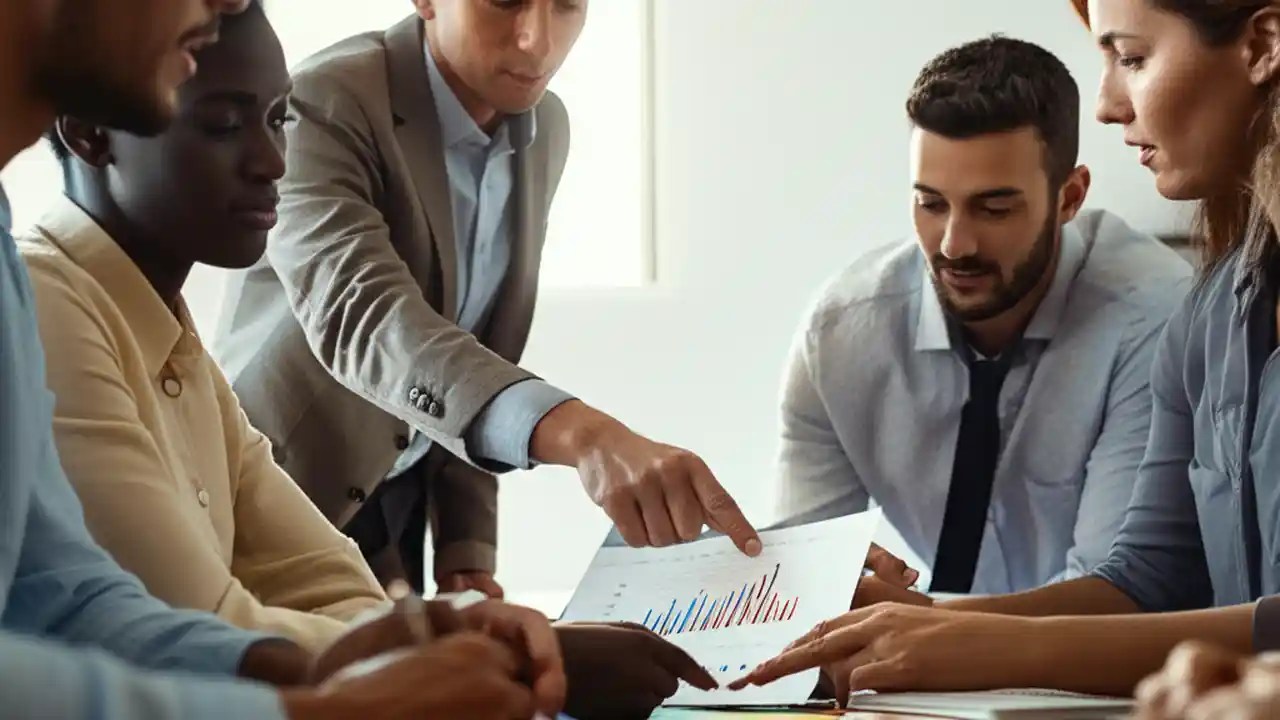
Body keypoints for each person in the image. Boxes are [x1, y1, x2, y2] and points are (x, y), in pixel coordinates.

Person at [18, 4, 722, 718]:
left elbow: (475, 338)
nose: (272, 162)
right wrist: (528, 646)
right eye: (226, 125)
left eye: (276, 121)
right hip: (322, 473)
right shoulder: (48, 304)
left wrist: (466, 598)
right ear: (89, 130)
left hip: (396, 512)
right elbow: (368, 314)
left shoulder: (168, 331)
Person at [733, 0, 1280, 705]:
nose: (1110, 105)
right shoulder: (1210, 313)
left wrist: (981, 641)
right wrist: (913, 622)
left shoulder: (1157, 308)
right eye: (930, 203)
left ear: (1265, 45)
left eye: (1133, 58)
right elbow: (1148, 583)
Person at [211, 0, 761, 594]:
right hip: (279, 488)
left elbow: (474, 337)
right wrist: (587, 436)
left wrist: (465, 549)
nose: (537, 42)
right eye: (504, 2)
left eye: (568, 5)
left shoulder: (545, 124)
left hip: (401, 499)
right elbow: (363, 316)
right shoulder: (323, 100)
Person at [774, 35, 1190, 596]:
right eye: (930, 203)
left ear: (1069, 198)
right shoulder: (842, 334)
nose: (953, 244)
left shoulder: (1155, 320)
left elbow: (1114, 594)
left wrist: (909, 624)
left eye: (994, 209)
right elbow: (802, 581)